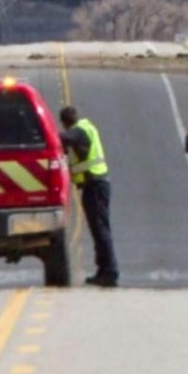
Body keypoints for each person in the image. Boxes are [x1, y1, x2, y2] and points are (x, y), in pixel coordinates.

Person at [59, 106, 119, 287]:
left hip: (96, 185)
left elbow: (61, 138)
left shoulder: (78, 131)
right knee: (98, 230)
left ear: (66, 123)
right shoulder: (86, 127)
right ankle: (103, 270)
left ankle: (110, 272)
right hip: (94, 185)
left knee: (101, 230)